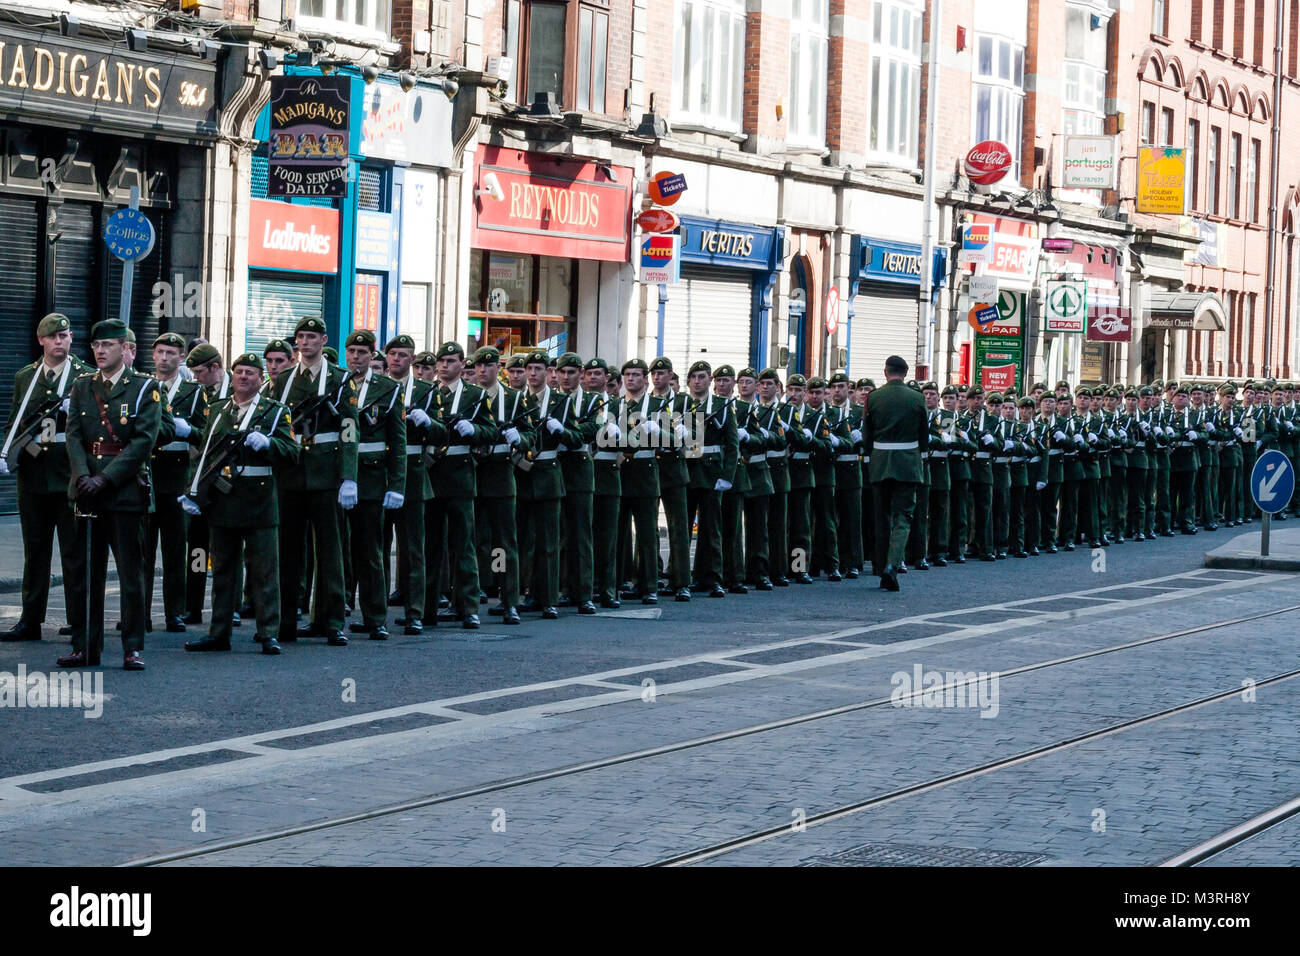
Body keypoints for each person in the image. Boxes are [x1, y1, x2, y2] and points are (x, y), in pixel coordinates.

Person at [179, 353, 298, 655]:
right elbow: (205, 452)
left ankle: (268, 631)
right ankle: (219, 632)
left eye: (250, 373)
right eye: (239, 372)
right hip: (223, 498)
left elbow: (292, 452)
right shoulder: (218, 410)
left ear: (261, 379)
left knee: (264, 572)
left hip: (258, 500)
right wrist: (193, 491)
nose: (244, 377)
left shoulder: (275, 411)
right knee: (222, 571)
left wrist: (270, 444)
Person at [59, 318, 161, 670]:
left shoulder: (145, 388)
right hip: (87, 490)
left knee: (130, 574)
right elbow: (73, 436)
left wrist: (106, 479)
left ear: (125, 348)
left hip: (124, 491)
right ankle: (85, 645)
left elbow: (143, 442)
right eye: (96, 346)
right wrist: (84, 476)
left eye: (108, 346)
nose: (100, 352)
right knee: (84, 573)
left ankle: (132, 646)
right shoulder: (83, 386)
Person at [0, 313, 92, 643]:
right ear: (41, 340)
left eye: (64, 336)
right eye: (53, 337)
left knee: (74, 552)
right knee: (35, 551)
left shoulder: (85, 377)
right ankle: (30, 620)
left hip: (69, 475)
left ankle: (79, 620)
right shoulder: (28, 376)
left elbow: (97, 427)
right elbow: (15, 420)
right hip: (34, 475)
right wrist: (7, 452)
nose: (59, 341)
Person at [269, 315, 358, 646]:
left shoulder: (339, 379)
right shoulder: (283, 381)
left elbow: (350, 429)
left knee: (330, 551)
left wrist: (349, 476)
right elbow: (276, 424)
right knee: (288, 551)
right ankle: (286, 620)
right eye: (300, 337)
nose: (304, 342)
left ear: (323, 340)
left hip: (326, 473)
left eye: (311, 336)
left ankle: (331, 620)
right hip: (291, 474)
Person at [342, 329, 406, 639]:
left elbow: (397, 440)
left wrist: (396, 484)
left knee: (370, 552)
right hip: (338, 479)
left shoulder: (387, 388)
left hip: (370, 479)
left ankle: (375, 617)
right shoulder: (335, 384)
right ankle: (330, 614)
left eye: (362, 352)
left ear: (372, 355)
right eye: (351, 351)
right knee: (334, 553)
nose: (356, 357)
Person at [146, 332, 206, 634]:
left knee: (174, 550)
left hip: (177, 473)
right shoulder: (144, 386)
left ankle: (174, 612)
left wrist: (189, 430)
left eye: (171, 353)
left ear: (181, 357)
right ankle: (139, 611)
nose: (165, 358)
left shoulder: (194, 392)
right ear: (153, 355)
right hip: (147, 473)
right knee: (141, 548)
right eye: (160, 352)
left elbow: (206, 435)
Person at [473, 345, 530, 625]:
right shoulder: (466, 395)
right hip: (470, 473)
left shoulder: (513, 398)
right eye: (478, 365)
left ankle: (508, 599)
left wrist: (519, 438)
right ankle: (471, 596)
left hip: (500, 474)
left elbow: (530, 432)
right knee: (472, 541)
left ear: (499, 368)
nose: (483, 370)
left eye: (489, 365)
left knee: (503, 543)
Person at [865, 355, 928, 592]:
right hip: (907, 463)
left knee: (881, 517)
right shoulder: (917, 397)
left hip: (881, 462)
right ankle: (893, 565)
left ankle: (881, 568)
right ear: (906, 373)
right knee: (903, 517)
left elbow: (867, 435)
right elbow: (924, 436)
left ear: (885, 372)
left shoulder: (873, 397)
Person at [517, 349, 572, 618]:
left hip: (549, 473)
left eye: (539, 369)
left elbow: (576, 437)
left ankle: (548, 597)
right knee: (519, 542)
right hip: (522, 475)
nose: (534, 374)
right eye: (530, 369)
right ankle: (520, 592)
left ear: (548, 373)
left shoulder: (559, 401)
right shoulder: (516, 399)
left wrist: (561, 431)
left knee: (549, 543)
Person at [684, 361, 738, 597]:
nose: (698, 381)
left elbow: (732, 444)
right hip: (686, 471)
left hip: (712, 472)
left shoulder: (722, 405)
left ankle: (713, 577)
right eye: (694, 377)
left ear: (710, 380)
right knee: (682, 528)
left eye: (702, 377)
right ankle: (684, 576)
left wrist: (727, 476)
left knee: (711, 529)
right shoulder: (681, 403)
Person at [555, 352, 600, 614]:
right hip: (556, 467)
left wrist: (565, 433)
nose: (567, 377)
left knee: (581, 535)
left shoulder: (592, 400)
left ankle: (584, 593)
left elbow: (592, 428)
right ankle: (559, 588)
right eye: (562, 372)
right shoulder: (551, 399)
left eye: (572, 372)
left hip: (580, 470)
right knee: (558, 535)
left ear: (580, 375)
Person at [615, 358, 662, 604]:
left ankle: (649, 585)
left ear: (645, 378)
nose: (631, 379)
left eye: (636, 375)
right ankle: (617, 583)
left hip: (645, 471)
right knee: (618, 533)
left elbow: (678, 439)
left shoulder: (657, 404)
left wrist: (659, 431)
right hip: (621, 471)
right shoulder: (615, 405)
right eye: (627, 375)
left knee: (647, 535)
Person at [650, 357, 691, 600]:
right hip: (651, 466)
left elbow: (694, 437)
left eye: (662, 373)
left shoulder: (683, 401)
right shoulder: (647, 400)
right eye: (654, 373)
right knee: (649, 528)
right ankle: (651, 574)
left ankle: (681, 580)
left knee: (678, 528)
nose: (657, 377)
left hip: (674, 468)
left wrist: (688, 432)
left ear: (671, 375)